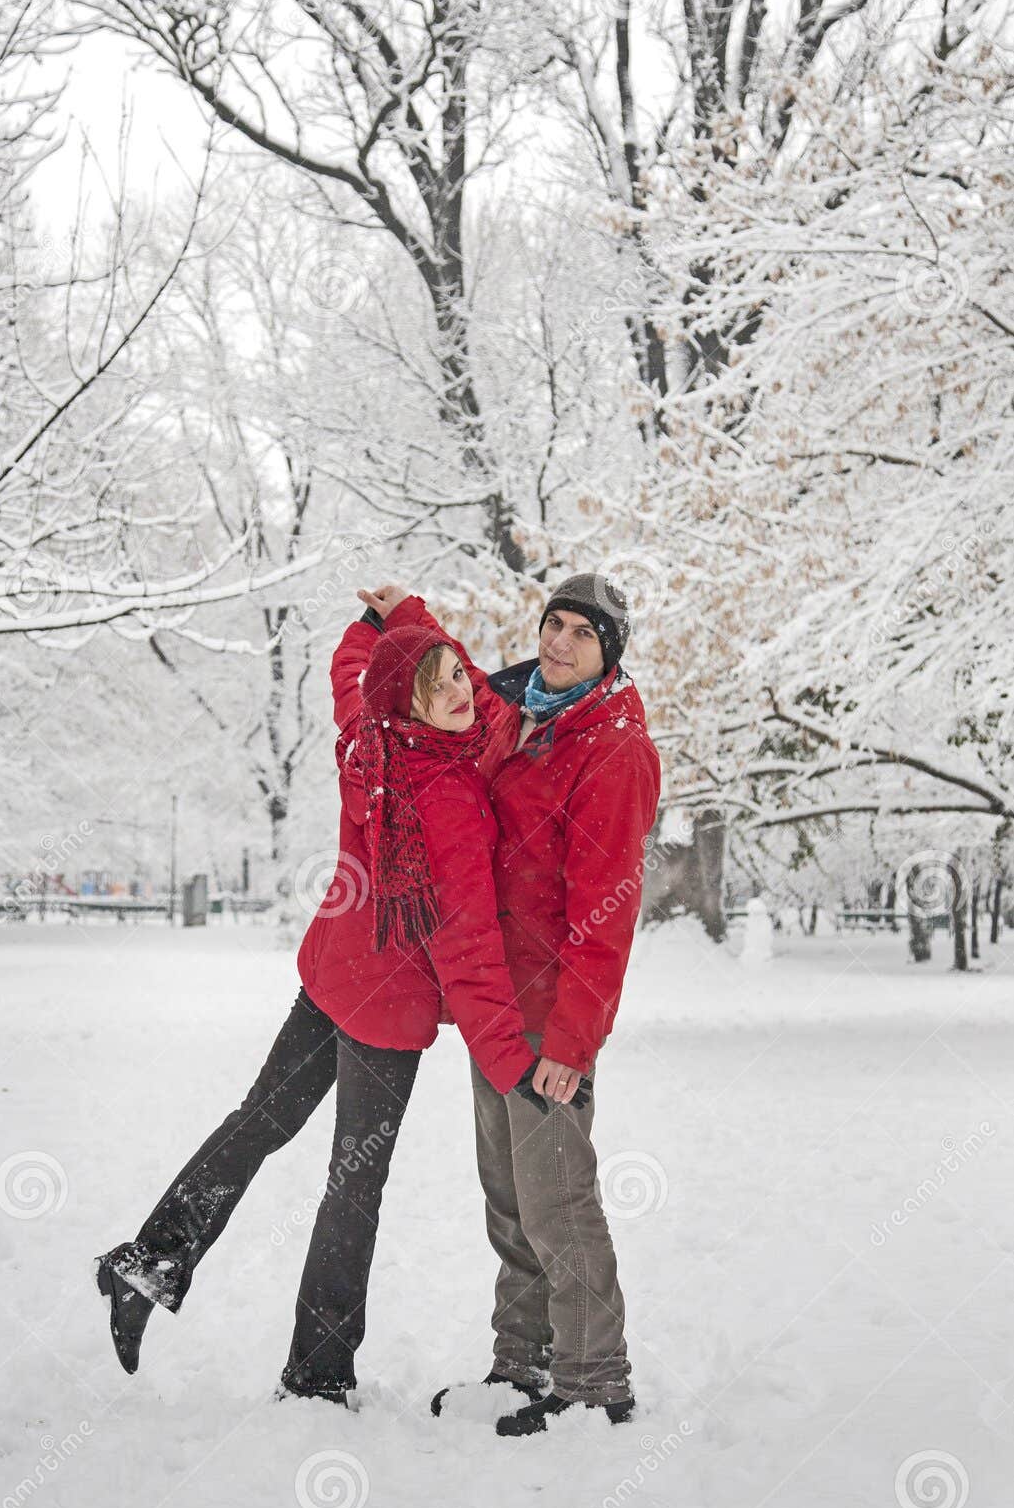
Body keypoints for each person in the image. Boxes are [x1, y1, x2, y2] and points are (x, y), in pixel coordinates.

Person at [95, 599, 584, 1401]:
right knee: (353, 1185)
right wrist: (511, 1064)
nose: (463, 689)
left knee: (261, 1119)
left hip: (332, 975)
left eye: (459, 671)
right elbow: (465, 949)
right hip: (385, 1010)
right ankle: (316, 1372)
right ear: (411, 700)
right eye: (438, 684)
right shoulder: (452, 798)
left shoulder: (370, 738)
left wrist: (385, 619)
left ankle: (148, 1262)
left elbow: (352, 670)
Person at [359, 576, 661, 1435]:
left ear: (610, 654)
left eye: (582, 634)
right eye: (553, 624)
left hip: (549, 1018)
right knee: (510, 1198)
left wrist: (572, 1040)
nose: (560, 643)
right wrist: (407, 622)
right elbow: (448, 684)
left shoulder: (610, 749)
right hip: (495, 1006)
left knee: (558, 1200)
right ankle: (522, 1364)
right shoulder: (524, 715)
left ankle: (596, 1380)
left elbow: (608, 917)